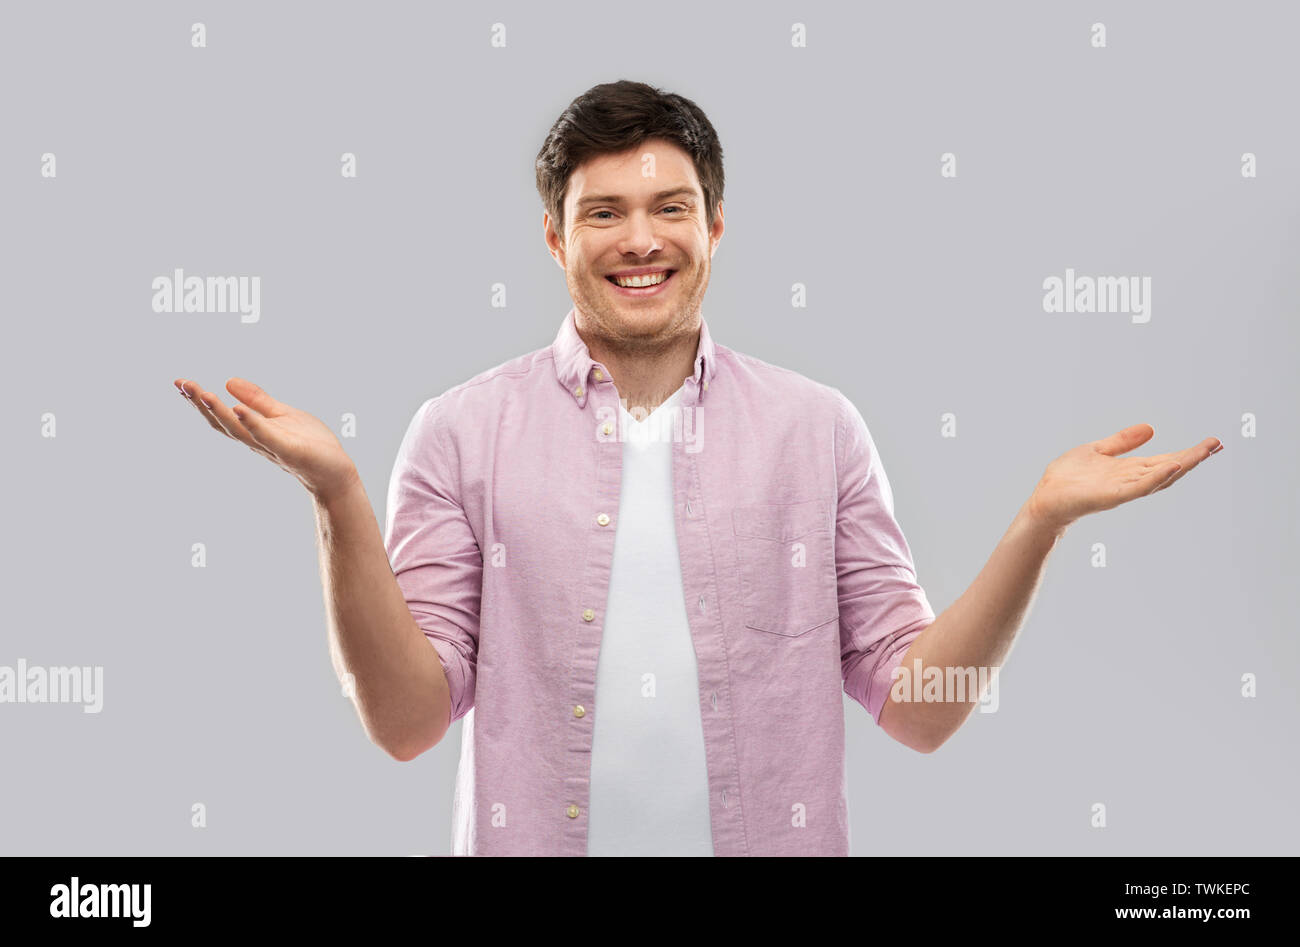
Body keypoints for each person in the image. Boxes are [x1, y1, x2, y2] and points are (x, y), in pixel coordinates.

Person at [174, 79, 1222, 856]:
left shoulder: (818, 429)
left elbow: (922, 706)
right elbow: (406, 723)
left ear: (714, 227)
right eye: (603, 212)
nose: (641, 239)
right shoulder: (458, 431)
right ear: (553, 237)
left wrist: (1037, 519)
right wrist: (336, 496)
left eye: (670, 207)